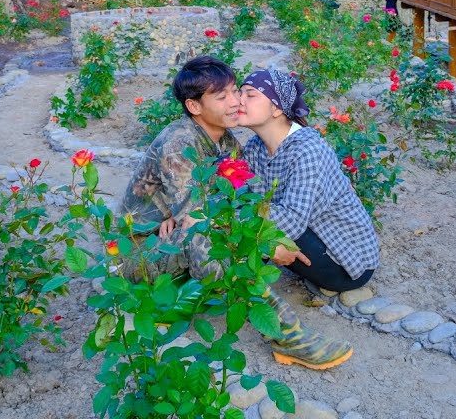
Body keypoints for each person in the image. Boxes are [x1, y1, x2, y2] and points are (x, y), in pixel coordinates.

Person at [119, 55, 354, 370]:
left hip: (169, 239)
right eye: (222, 96)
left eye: (235, 91)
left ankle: (253, 312)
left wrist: (269, 236)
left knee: (223, 229)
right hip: (136, 251)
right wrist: (269, 244)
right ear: (194, 107)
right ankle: (288, 335)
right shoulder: (180, 141)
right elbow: (199, 218)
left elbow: (243, 201)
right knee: (200, 234)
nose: (235, 102)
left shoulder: (227, 143)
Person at [238, 67, 379, 293]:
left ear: (276, 109)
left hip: (346, 260)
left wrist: (228, 220)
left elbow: (292, 221)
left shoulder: (308, 149)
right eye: (239, 92)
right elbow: (249, 199)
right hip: (310, 236)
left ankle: (246, 285)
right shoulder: (256, 147)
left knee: (252, 227)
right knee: (251, 225)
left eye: (250, 94)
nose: (239, 100)